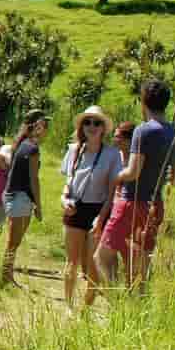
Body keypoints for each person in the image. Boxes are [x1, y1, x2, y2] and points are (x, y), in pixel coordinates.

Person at [102, 79, 175, 287]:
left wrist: (114, 177)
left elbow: (132, 171)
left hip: (131, 202)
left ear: (143, 102)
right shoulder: (174, 133)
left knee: (101, 256)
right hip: (155, 205)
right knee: (141, 268)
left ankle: (116, 305)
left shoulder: (143, 130)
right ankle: (135, 311)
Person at [58, 106, 122, 306]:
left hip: (98, 211)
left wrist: (101, 218)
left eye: (97, 122)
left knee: (93, 266)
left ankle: (86, 309)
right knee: (72, 262)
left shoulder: (113, 155)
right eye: (87, 122)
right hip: (75, 209)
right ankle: (68, 306)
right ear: (81, 126)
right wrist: (64, 199)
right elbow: (68, 181)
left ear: (103, 128)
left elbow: (112, 193)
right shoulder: (73, 150)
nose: (91, 126)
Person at [0, 110, 51, 284]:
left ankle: (6, 275)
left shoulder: (20, 143)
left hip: (13, 195)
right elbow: (33, 179)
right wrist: (39, 206)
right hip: (20, 197)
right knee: (13, 243)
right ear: (37, 126)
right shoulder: (33, 148)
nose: (47, 130)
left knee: (12, 242)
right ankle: (5, 277)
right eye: (45, 126)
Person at [94, 121, 138, 286]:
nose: (114, 139)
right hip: (111, 207)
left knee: (128, 253)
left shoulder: (135, 160)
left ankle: (128, 289)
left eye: (118, 136)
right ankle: (111, 287)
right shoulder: (116, 156)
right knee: (108, 251)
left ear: (128, 140)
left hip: (126, 209)